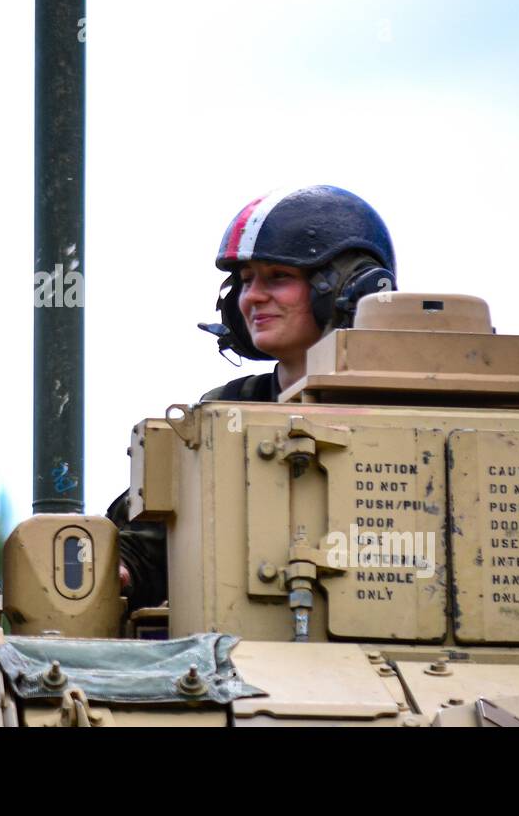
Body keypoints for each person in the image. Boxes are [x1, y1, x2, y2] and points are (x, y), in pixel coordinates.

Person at [109, 186, 397, 612]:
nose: (253, 297)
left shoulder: (411, 405)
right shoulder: (227, 408)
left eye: (278, 277)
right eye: (246, 281)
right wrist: (119, 569)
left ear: (349, 287)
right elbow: (149, 545)